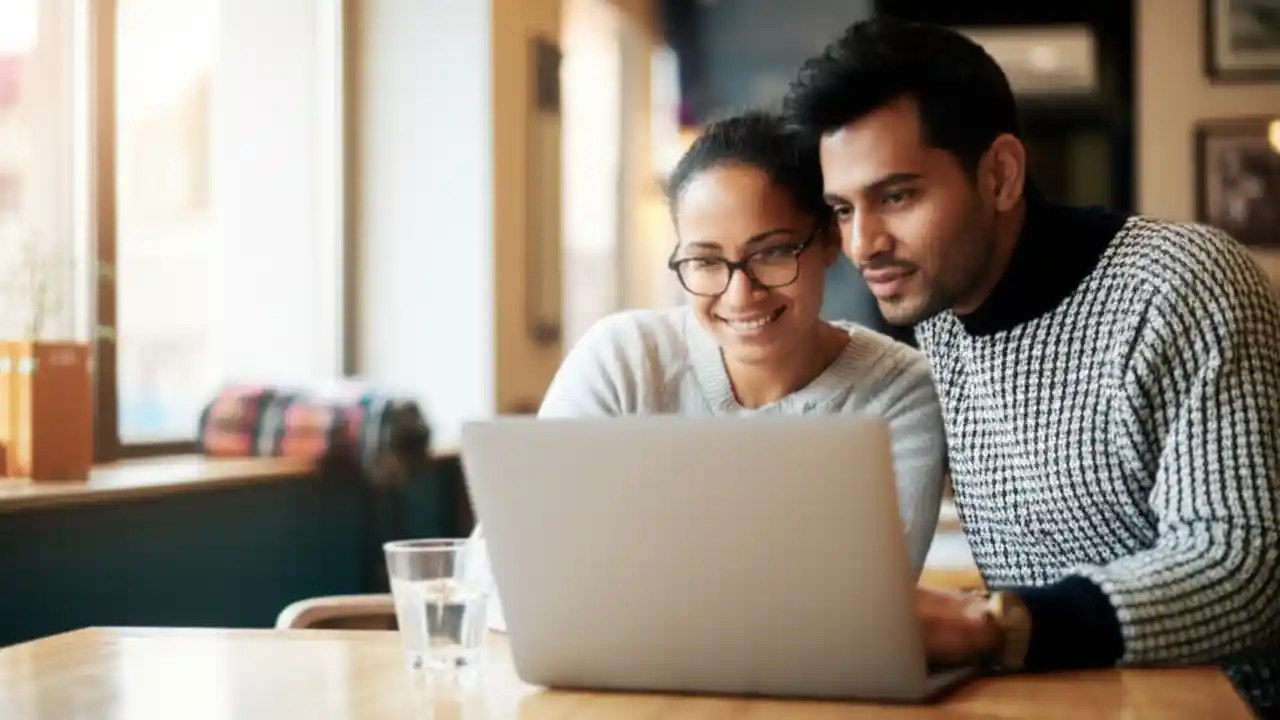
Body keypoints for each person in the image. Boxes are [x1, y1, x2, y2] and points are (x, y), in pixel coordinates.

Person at [785, 16, 1280, 714]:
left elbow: (1245, 566)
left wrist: (998, 626)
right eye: (842, 208)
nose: (863, 243)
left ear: (1001, 174)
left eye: (897, 196)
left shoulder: (1181, 284)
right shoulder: (943, 319)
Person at [474, 113, 949, 630]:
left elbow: (869, 611)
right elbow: (498, 577)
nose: (740, 294)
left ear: (829, 243)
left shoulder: (899, 390)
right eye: (705, 261)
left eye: (771, 253)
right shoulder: (623, 360)